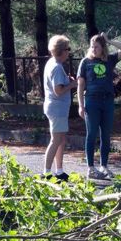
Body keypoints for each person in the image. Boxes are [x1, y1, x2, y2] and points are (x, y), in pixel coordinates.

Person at [77, 33, 121, 179]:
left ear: (102, 48)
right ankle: (91, 168)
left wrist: (109, 40)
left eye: (97, 46)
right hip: (92, 101)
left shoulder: (109, 60)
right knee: (91, 134)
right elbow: (80, 86)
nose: (93, 49)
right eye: (92, 46)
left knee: (106, 135)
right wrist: (81, 105)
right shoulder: (85, 62)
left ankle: (104, 166)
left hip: (107, 102)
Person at [42, 35, 74, 180]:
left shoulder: (52, 63)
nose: (69, 52)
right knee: (56, 140)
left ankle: (59, 171)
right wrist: (73, 85)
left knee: (61, 139)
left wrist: (68, 82)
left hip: (56, 108)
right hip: (57, 108)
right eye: (68, 49)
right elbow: (58, 90)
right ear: (61, 50)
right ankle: (46, 172)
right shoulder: (56, 67)